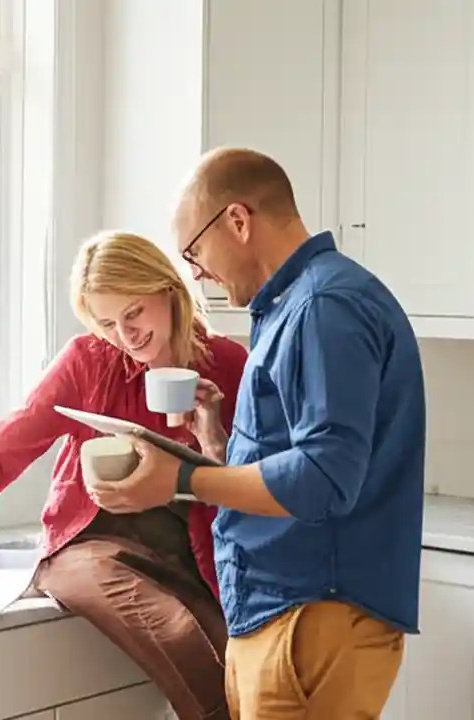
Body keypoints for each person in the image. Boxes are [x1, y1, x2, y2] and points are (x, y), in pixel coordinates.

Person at [89, 147, 426, 719]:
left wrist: (185, 478)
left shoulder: (324, 306)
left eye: (194, 250)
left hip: (311, 614)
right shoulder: (294, 306)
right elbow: (298, 460)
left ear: (239, 222)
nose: (194, 271)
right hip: (281, 612)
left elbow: (323, 478)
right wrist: (219, 445)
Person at [0, 231, 249, 720]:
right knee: (174, 631)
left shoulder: (228, 365)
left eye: (133, 312)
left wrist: (212, 441)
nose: (126, 336)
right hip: (90, 544)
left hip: (190, 551)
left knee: (233, 656)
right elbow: (5, 449)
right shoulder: (90, 362)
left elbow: (257, 486)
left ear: (167, 290)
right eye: (109, 323)